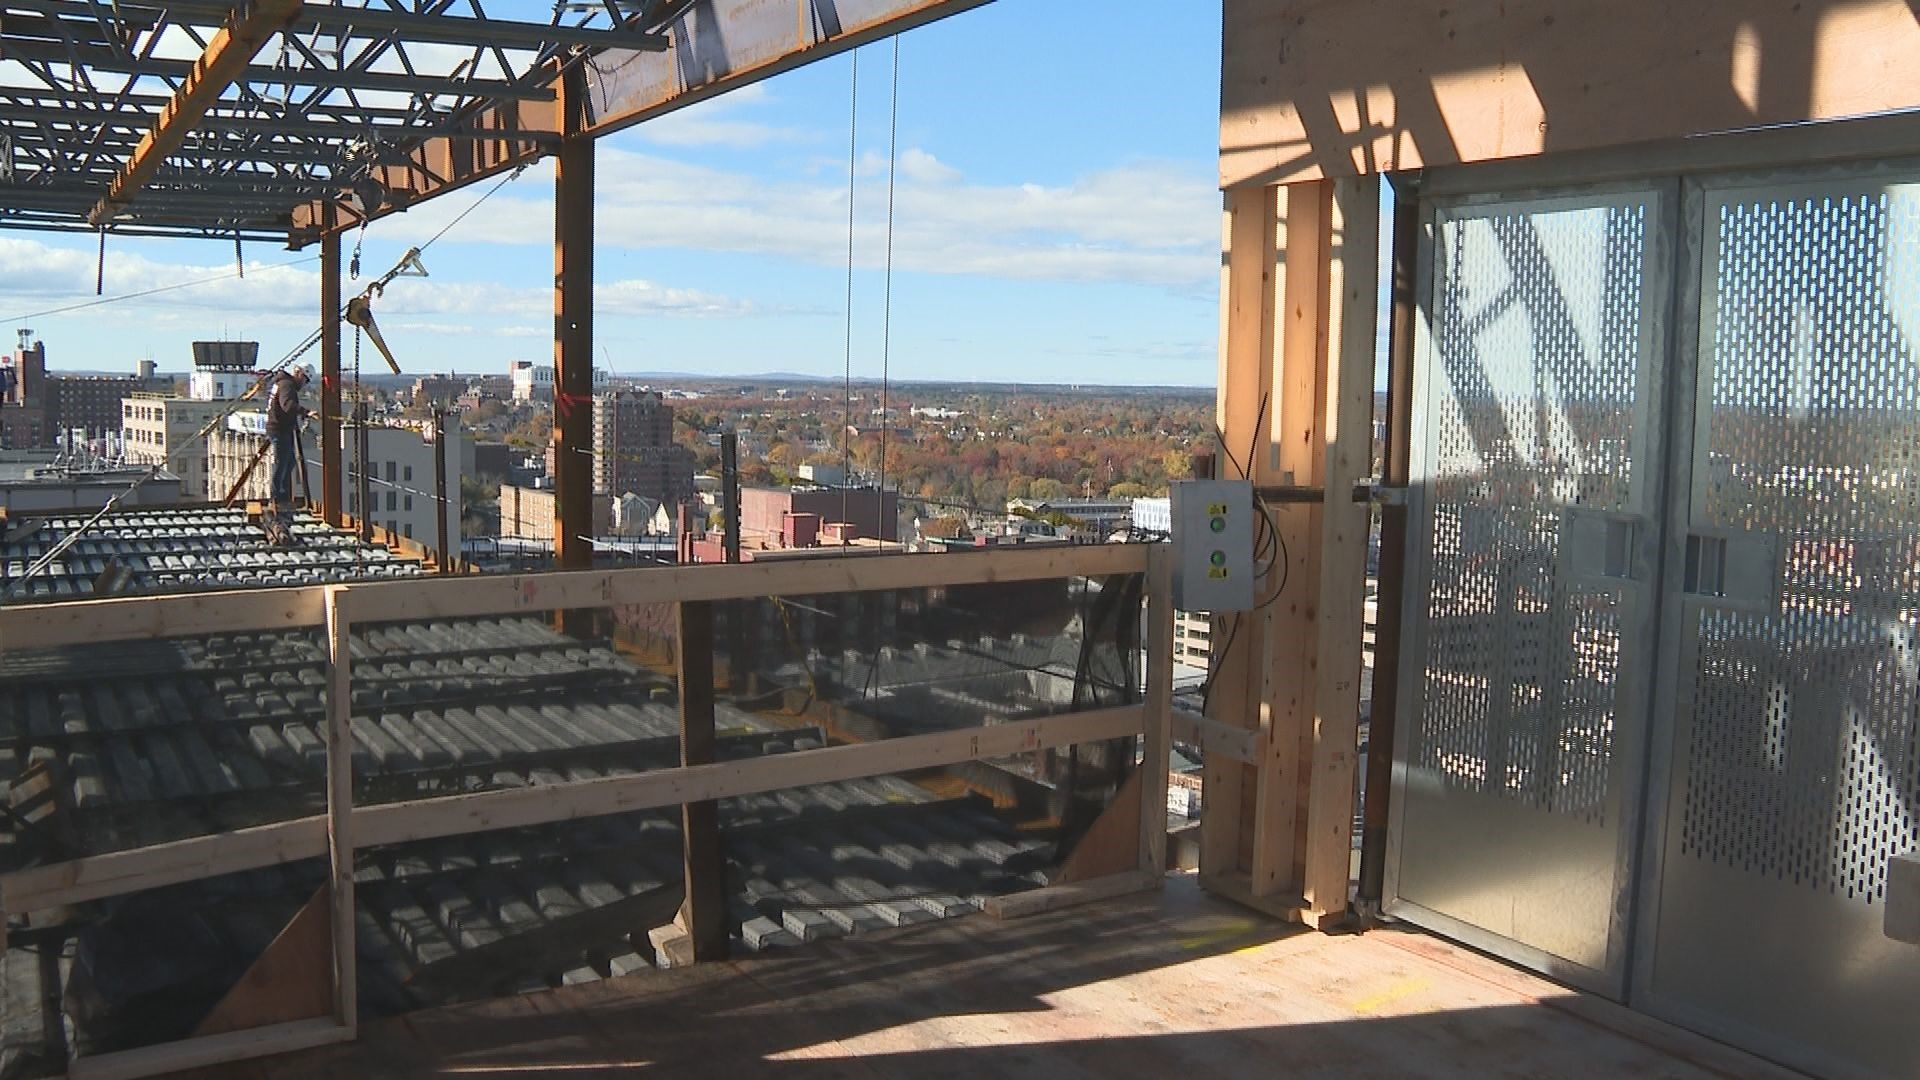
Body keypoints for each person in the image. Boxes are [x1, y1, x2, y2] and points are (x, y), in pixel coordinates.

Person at [265, 365, 311, 519]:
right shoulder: (287, 385)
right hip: (280, 429)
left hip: (279, 428)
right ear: (298, 373)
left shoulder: (282, 383)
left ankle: (281, 494)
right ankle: (277, 496)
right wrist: (305, 412)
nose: (304, 383)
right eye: (304, 379)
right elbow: (287, 405)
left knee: (289, 461)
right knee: (282, 462)